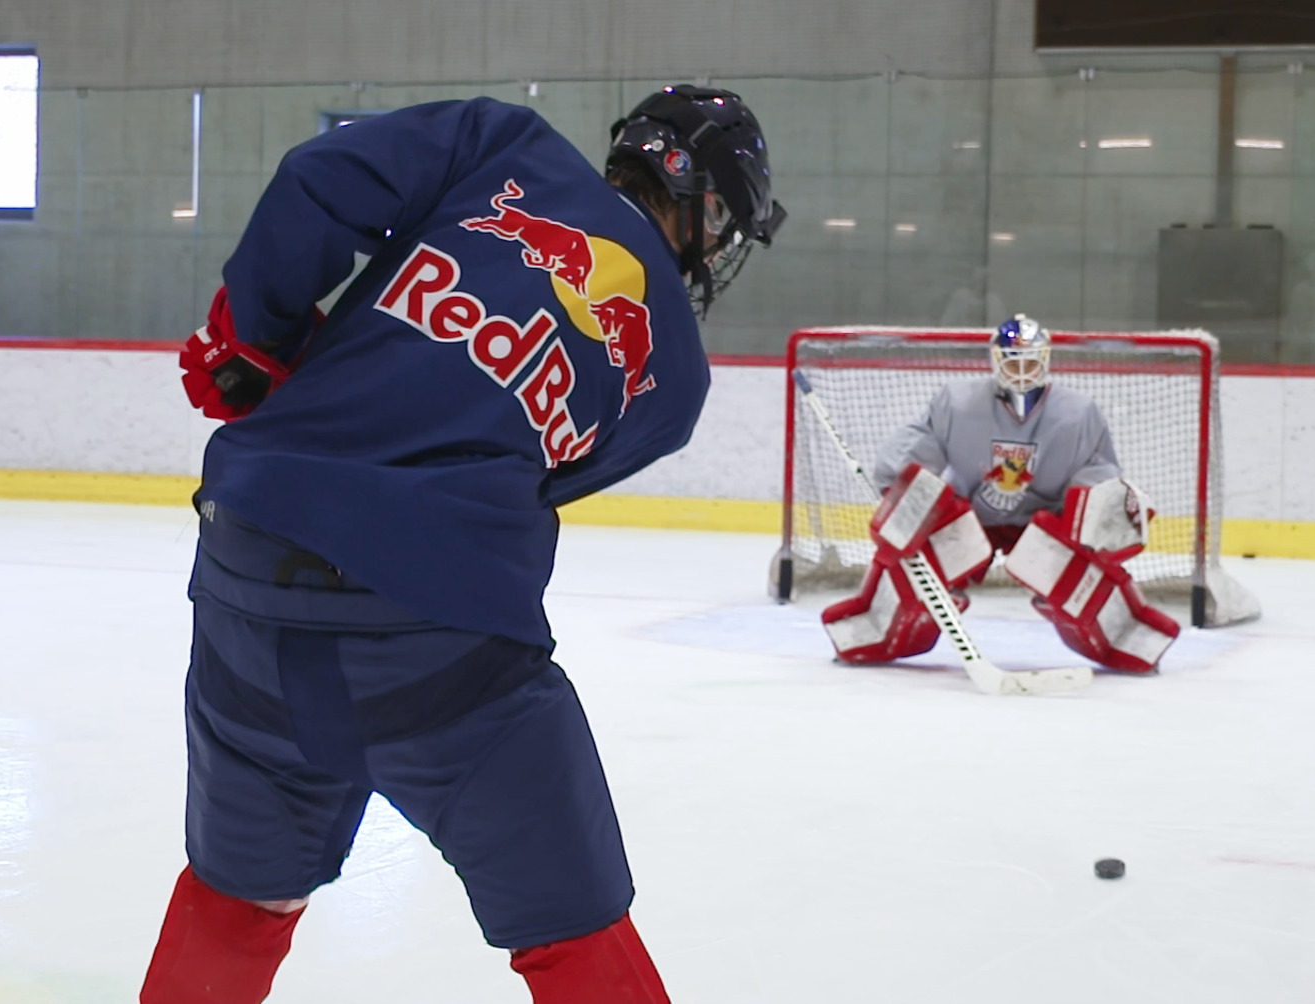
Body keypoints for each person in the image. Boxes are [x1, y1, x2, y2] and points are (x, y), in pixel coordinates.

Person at [147, 87, 783, 1004]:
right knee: (574, 930)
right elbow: (536, 476)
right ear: (708, 203)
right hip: (439, 641)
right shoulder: (674, 374)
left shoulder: (499, 142)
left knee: (240, 896)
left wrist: (259, 334)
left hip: (249, 563)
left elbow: (317, 182)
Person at [819, 315, 1181, 674]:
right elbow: (913, 456)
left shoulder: (1078, 414)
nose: (1022, 370)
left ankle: (1128, 638)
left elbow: (1098, 477)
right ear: (995, 360)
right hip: (971, 519)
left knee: (1075, 574)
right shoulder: (957, 404)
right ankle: (872, 633)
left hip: (1043, 524)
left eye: (1030, 361)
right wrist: (899, 494)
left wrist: (1099, 520)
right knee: (917, 567)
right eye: (1013, 361)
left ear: (1046, 359)